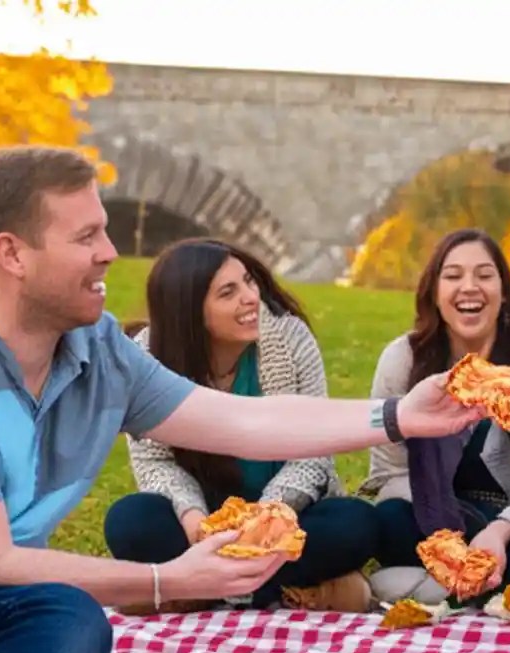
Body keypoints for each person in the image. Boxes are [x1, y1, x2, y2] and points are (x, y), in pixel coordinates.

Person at [0, 145, 481, 653]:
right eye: (86, 235)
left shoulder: (96, 350)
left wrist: (399, 415)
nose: (110, 252)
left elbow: (240, 420)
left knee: (71, 622)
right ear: (11, 253)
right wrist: (169, 581)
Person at [103, 238, 378, 614]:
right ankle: (285, 592)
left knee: (355, 523)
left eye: (249, 282)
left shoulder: (290, 339)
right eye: (228, 292)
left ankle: (200, 590)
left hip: (285, 514)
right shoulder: (148, 357)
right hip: (205, 522)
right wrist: (192, 518)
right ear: (190, 311)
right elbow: (155, 463)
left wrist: (266, 522)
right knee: (129, 521)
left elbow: (315, 450)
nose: (251, 298)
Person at [360, 228, 510, 604]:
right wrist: (448, 536)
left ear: (503, 291)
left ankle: (440, 589)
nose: (469, 287)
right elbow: (390, 475)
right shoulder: (403, 359)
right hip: (438, 519)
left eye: (484, 275)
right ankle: (475, 587)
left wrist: (501, 530)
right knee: (386, 521)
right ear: (434, 293)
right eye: (453, 276)